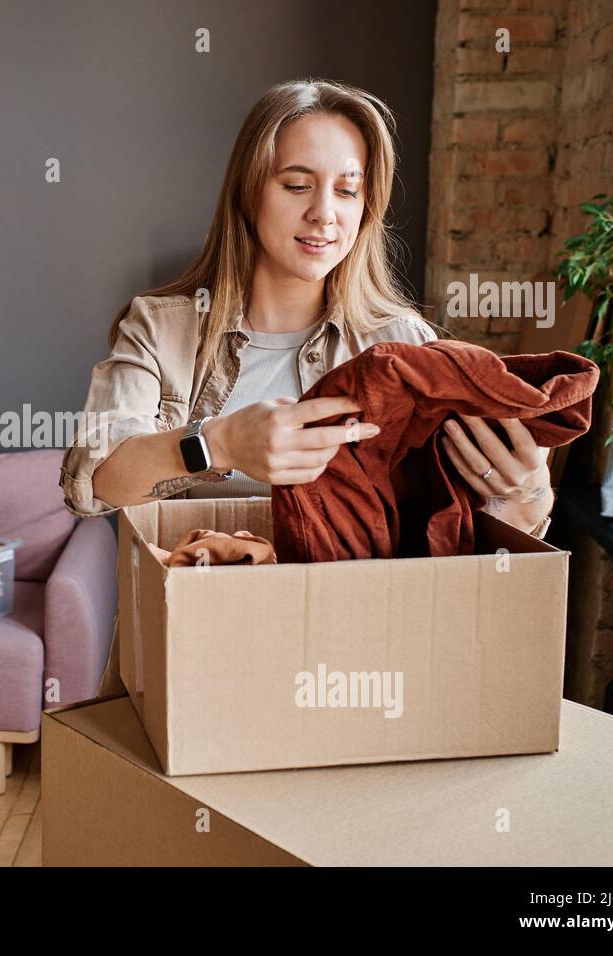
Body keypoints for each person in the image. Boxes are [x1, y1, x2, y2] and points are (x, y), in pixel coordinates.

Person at [60, 79, 555, 693]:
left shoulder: (403, 344)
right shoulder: (162, 329)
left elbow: (468, 535)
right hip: (193, 661)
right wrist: (218, 445)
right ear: (249, 192)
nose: (325, 211)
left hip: (357, 662)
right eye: (297, 185)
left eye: (348, 190)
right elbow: (94, 483)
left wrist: (526, 493)